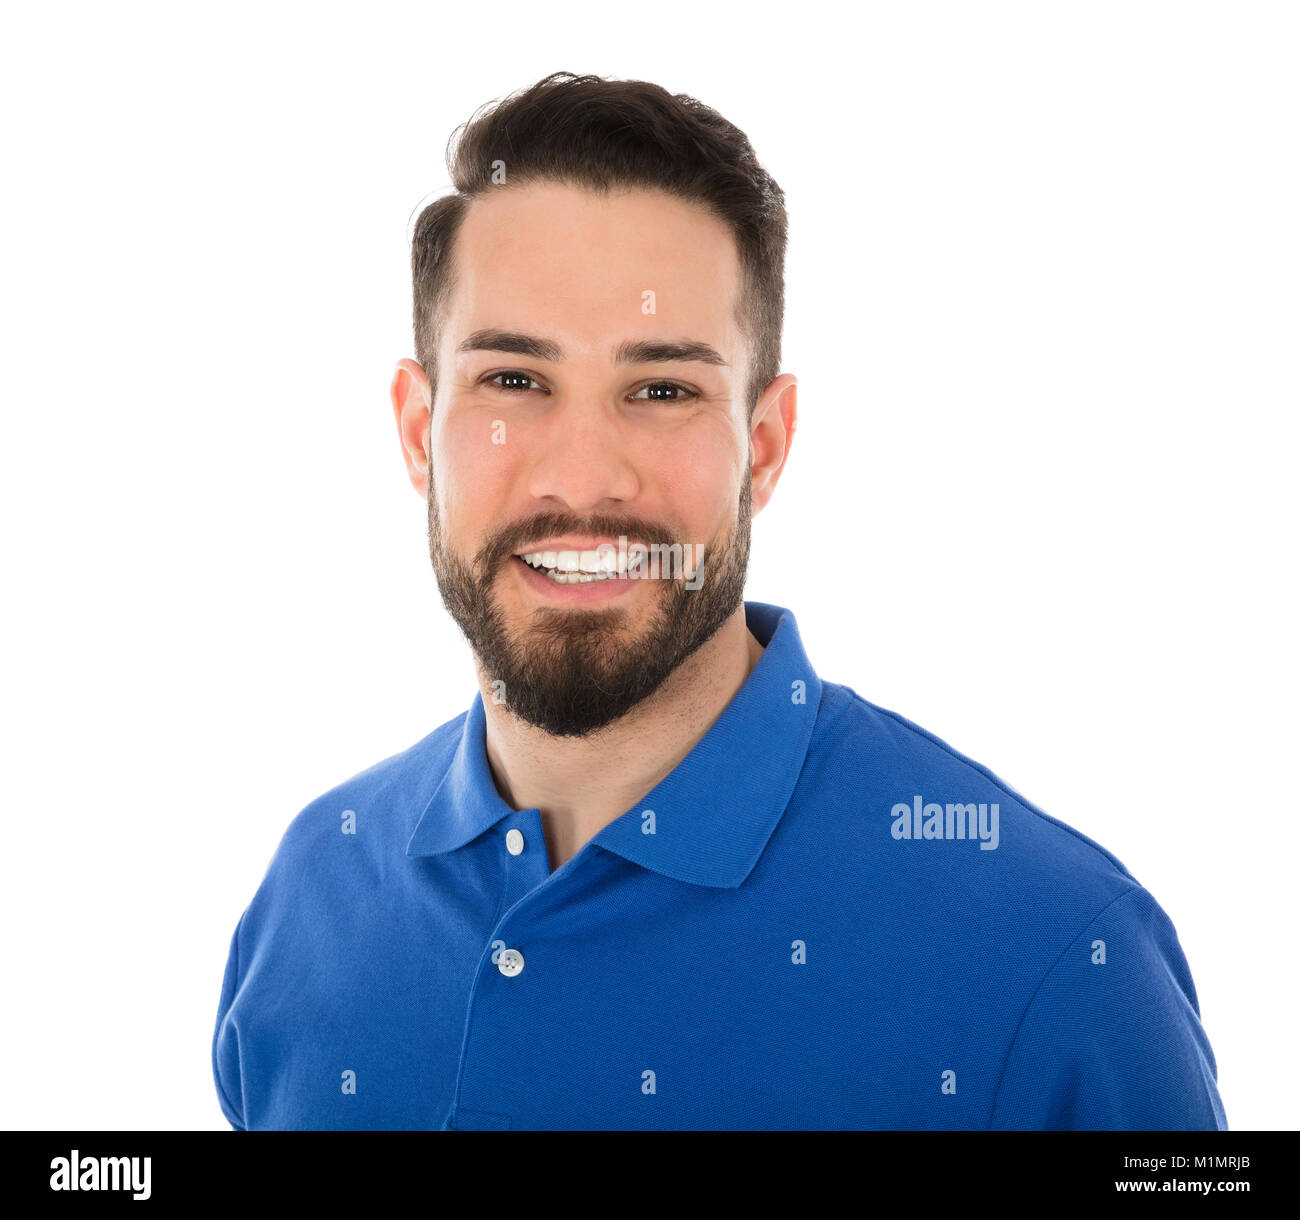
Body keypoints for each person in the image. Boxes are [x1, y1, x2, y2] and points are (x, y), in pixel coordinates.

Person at [212, 71, 1226, 1131]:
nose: (584, 475)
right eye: (514, 380)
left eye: (662, 390)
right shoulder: (308, 897)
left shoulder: (1053, 961)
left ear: (767, 446)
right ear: (420, 431)